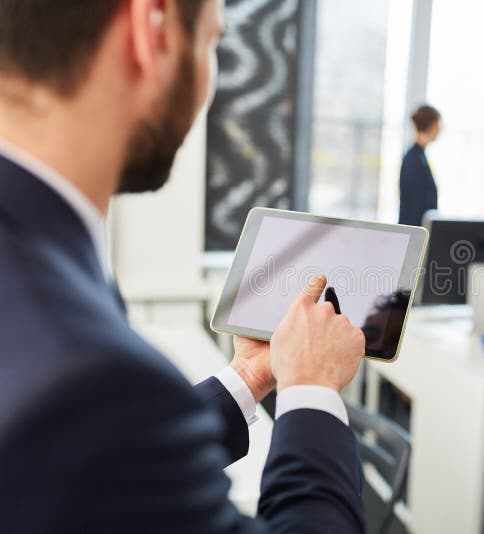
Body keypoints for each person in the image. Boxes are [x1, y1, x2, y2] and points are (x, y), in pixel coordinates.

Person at [0, 1, 367, 532]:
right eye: (213, 42)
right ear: (151, 30)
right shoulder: (91, 381)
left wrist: (248, 378)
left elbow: (108, 470)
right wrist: (312, 390)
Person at [398, 104, 441, 227]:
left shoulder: (419, 157)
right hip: (415, 233)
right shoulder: (413, 159)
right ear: (433, 125)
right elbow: (413, 205)